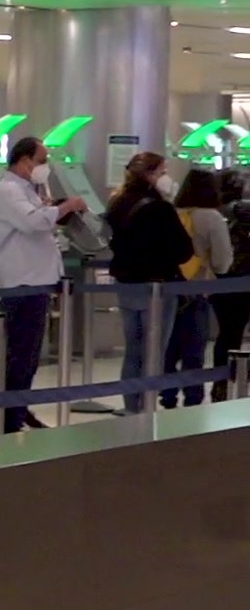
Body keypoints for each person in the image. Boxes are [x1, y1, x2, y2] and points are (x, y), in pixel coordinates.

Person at [0, 136, 90, 432]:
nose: (45, 167)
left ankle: (19, 409)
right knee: (21, 354)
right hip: (21, 283)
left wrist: (55, 208)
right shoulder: (9, 190)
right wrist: (66, 207)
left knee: (29, 355)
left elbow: (39, 220)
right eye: (42, 161)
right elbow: (33, 222)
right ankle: (10, 418)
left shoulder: (27, 190)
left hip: (35, 281)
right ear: (24, 160)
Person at [104, 152, 193, 414]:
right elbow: (183, 250)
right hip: (157, 286)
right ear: (151, 174)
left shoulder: (117, 202)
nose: (166, 177)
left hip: (126, 284)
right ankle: (146, 409)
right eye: (162, 172)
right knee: (154, 351)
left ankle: (132, 407)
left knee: (133, 350)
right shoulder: (160, 208)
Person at [163, 169, 232, 407]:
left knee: (169, 346)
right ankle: (193, 398)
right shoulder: (211, 217)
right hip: (197, 287)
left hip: (168, 287)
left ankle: (167, 395)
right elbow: (222, 262)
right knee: (194, 349)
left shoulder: (171, 212)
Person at [213, 169, 250, 399]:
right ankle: (235, 379)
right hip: (243, 278)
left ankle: (221, 383)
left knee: (227, 334)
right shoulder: (240, 208)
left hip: (221, 279)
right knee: (233, 332)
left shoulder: (213, 210)